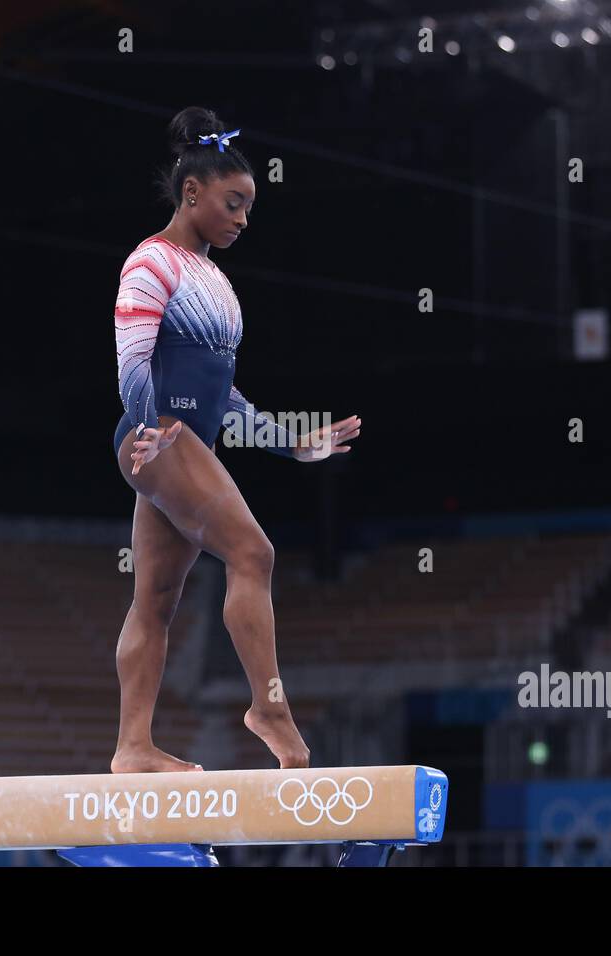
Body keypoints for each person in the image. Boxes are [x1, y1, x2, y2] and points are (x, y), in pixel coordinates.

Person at [110, 107, 361, 773]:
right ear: (192, 192)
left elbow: (227, 401)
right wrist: (142, 429)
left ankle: (132, 748)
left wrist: (292, 444)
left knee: (155, 601)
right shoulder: (152, 262)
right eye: (234, 201)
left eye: (250, 207)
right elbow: (132, 358)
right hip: (158, 436)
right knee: (253, 553)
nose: (244, 218)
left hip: (180, 443)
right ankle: (269, 706)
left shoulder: (217, 284)